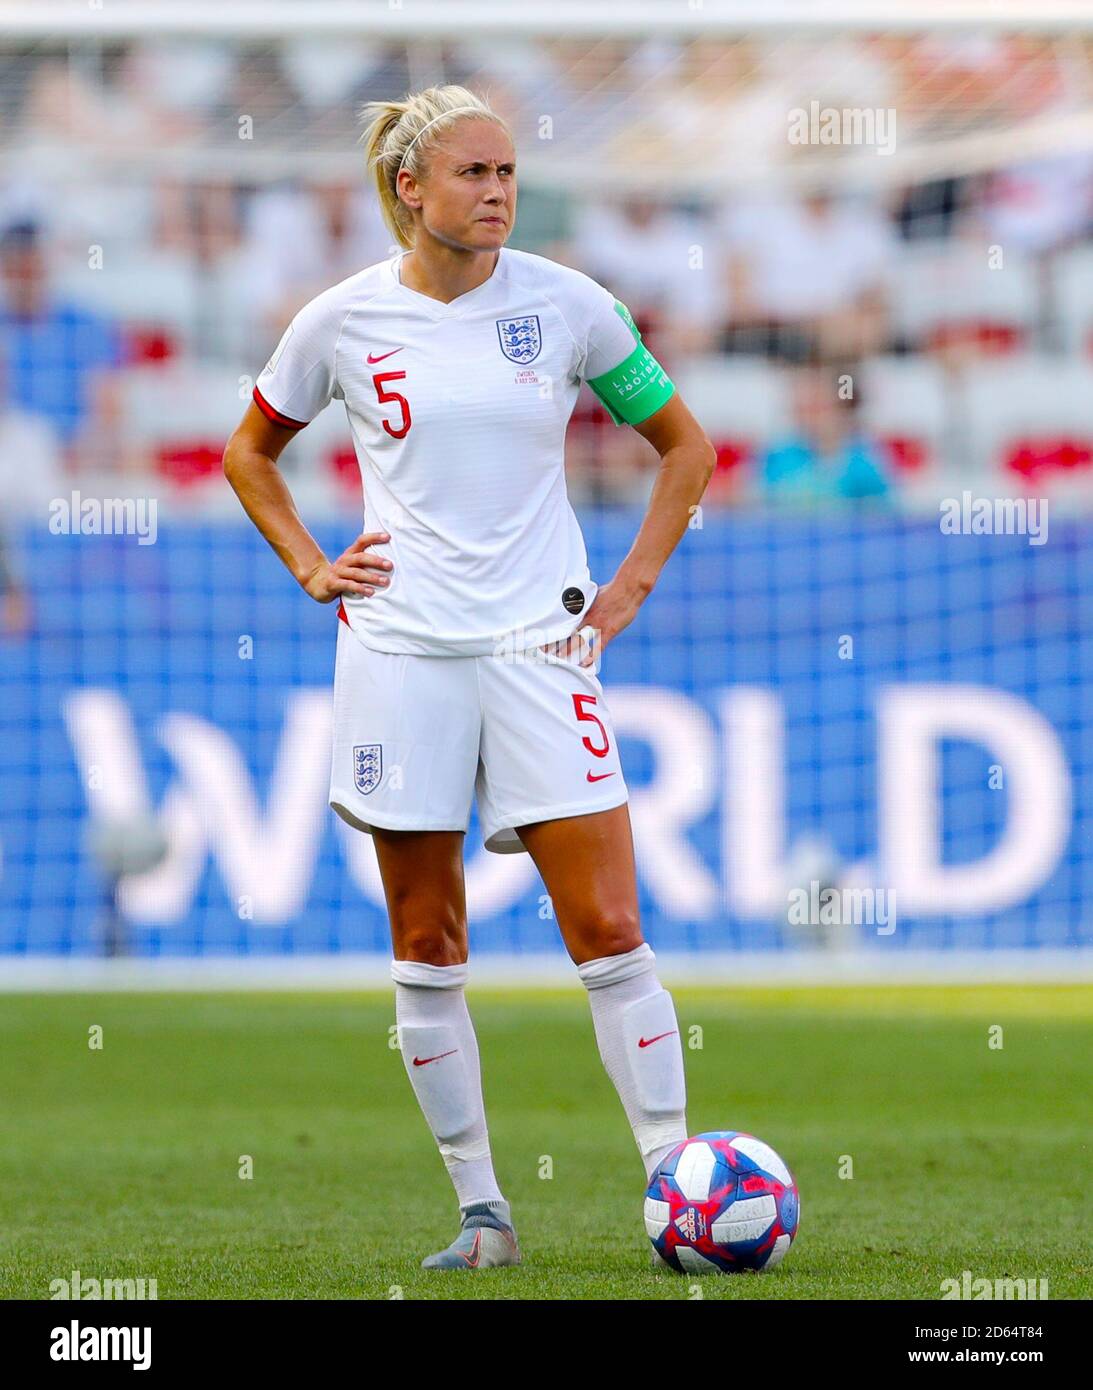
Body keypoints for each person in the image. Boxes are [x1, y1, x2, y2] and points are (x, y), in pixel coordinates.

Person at [222, 85, 715, 1271]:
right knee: (426, 934)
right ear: (410, 188)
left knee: (607, 927)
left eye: (506, 175)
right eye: (475, 175)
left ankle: (678, 1184)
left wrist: (631, 585)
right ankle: (484, 1213)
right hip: (399, 653)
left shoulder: (567, 306)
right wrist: (307, 562)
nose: (499, 194)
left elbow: (686, 446)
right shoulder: (339, 321)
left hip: (542, 649)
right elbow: (249, 450)